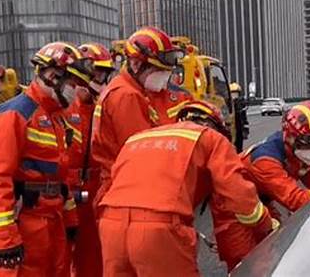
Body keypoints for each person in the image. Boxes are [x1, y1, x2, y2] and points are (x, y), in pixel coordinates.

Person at [98, 100, 276, 277]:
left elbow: (112, 183)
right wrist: (267, 224)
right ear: (213, 126)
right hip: (159, 230)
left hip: (110, 227)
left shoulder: (139, 137)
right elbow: (241, 198)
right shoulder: (210, 138)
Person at [0, 42, 95, 276]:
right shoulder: (15, 115)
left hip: (53, 221)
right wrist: (5, 238)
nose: (76, 89)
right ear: (51, 76)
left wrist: (70, 219)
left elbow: (61, 177)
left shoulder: (58, 119)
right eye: (72, 82)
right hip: (26, 223)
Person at [212, 101, 310, 270]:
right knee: (245, 261)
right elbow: (296, 199)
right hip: (231, 205)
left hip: (259, 198)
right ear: (291, 137)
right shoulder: (266, 161)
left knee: (273, 246)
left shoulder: (299, 148)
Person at [91, 26, 182, 215]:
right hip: (128, 196)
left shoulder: (131, 91)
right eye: (158, 70)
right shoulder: (126, 96)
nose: (165, 77)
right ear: (136, 65)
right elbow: (144, 155)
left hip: (123, 191)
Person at [63, 42, 115, 277]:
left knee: (95, 254)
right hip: (67, 190)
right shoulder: (61, 108)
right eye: (95, 73)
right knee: (62, 256)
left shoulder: (106, 107)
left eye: (102, 74)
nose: (97, 80)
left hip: (97, 187)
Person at [230, 82, 249, 152]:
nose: (234, 96)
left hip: (239, 129)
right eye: (232, 94)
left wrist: (245, 131)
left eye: (235, 94)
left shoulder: (241, 104)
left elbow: (244, 119)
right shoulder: (227, 103)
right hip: (231, 128)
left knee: (239, 147)